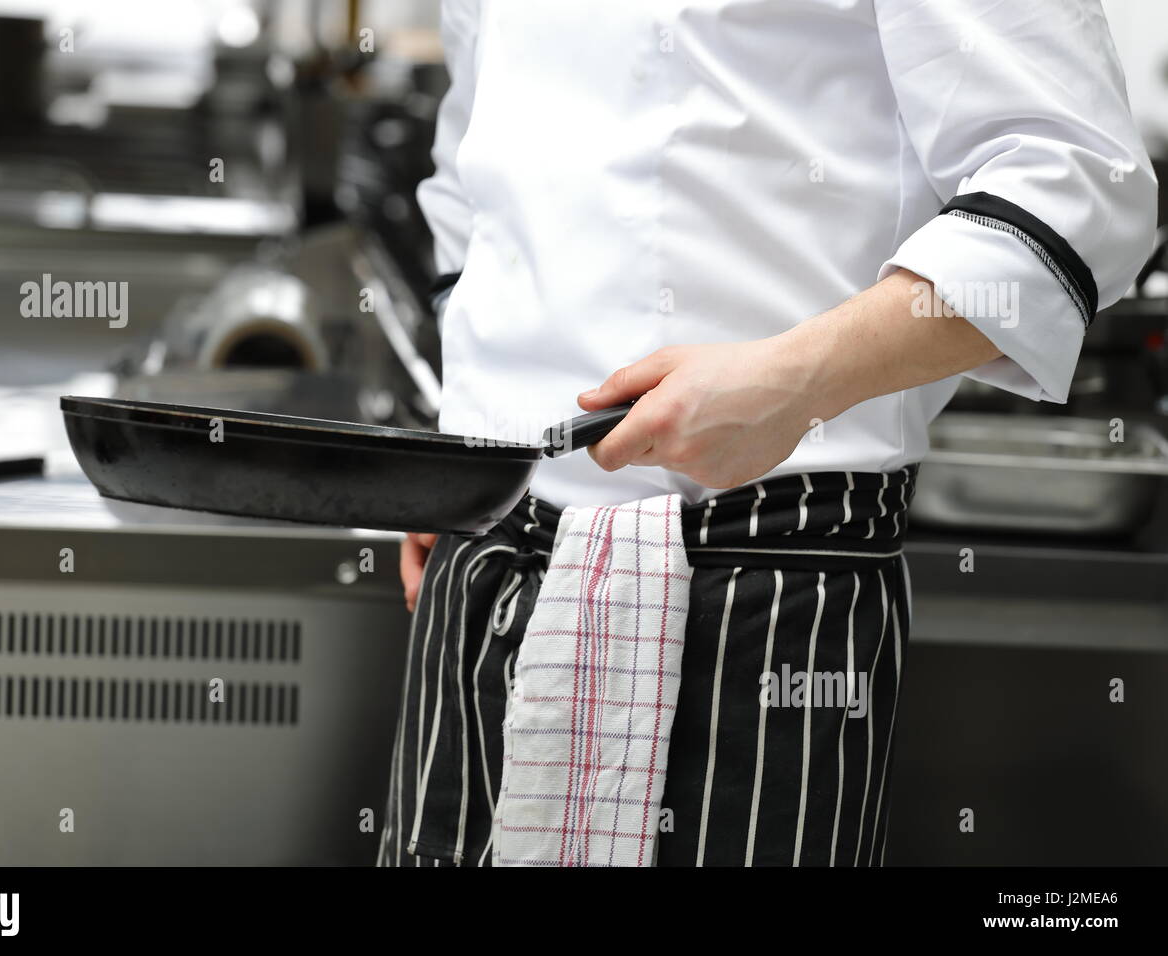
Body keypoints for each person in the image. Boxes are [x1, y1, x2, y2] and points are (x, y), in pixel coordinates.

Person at [379, 0, 1157, 867]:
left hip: (761, 582)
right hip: (482, 552)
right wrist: (471, 443)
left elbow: (1077, 178)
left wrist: (793, 382)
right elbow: (475, 178)